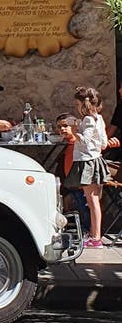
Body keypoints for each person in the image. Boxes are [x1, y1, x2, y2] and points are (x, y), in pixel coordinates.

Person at [63, 86, 109, 248]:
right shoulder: (99, 118)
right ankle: (95, 234)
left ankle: (95, 237)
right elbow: (103, 144)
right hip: (96, 160)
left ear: (84, 105)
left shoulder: (89, 120)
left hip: (87, 161)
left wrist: (74, 130)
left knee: (92, 201)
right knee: (94, 201)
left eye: (77, 104)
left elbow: (85, 140)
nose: (77, 108)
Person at [54, 113, 90, 234]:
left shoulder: (78, 142)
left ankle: (87, 230)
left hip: (80, 183)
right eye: (59, 127)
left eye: (65, 126)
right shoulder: (68, 143)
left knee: (84, 208)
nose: (62, 129)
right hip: (70, 182)